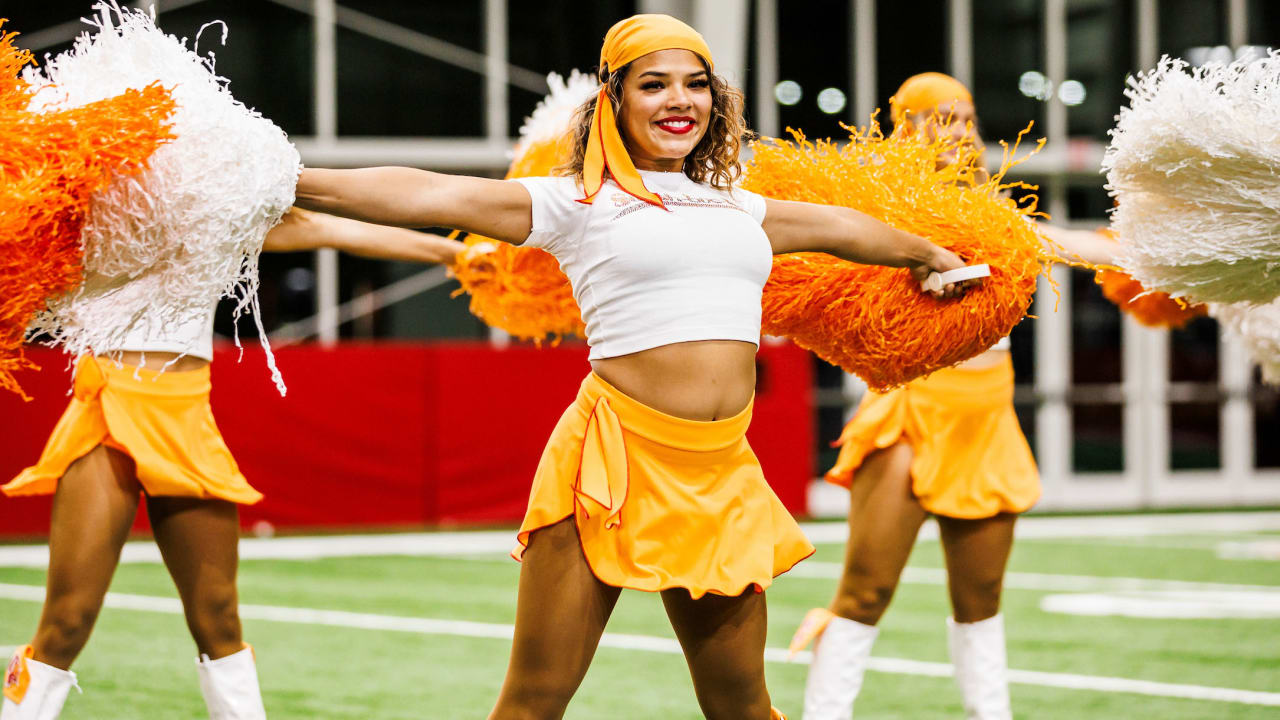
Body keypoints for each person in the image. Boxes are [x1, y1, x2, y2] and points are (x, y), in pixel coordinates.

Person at [293, 15, 973, 720]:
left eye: (696, 85)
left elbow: (844, 228)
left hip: (719, 469)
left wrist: (928, 255)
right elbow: (429, 194)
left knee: (743, 707)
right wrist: (291, 178)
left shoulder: (740, 205)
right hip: (611, 463)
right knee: (533, 702)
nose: (679, 100)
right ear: (615, 101)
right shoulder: (579, 202)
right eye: (654, 85)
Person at [1, 210, 463, 720]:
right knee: (67, 620)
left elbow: (329, 227)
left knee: (219, 621)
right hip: (108, 407)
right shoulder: (94, 192)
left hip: (186, 414)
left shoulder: (219, 206)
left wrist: (453, 253)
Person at [796, 72, 1116, 720]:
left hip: (987, 420)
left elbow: (1066, 246)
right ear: (903, 129)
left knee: (983, 601)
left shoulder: (995, 219)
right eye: (938, 117)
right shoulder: (880, 214)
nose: (958, 131)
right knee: (865, 593)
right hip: (912, 415)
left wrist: (1156, 253)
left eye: (966, 119)